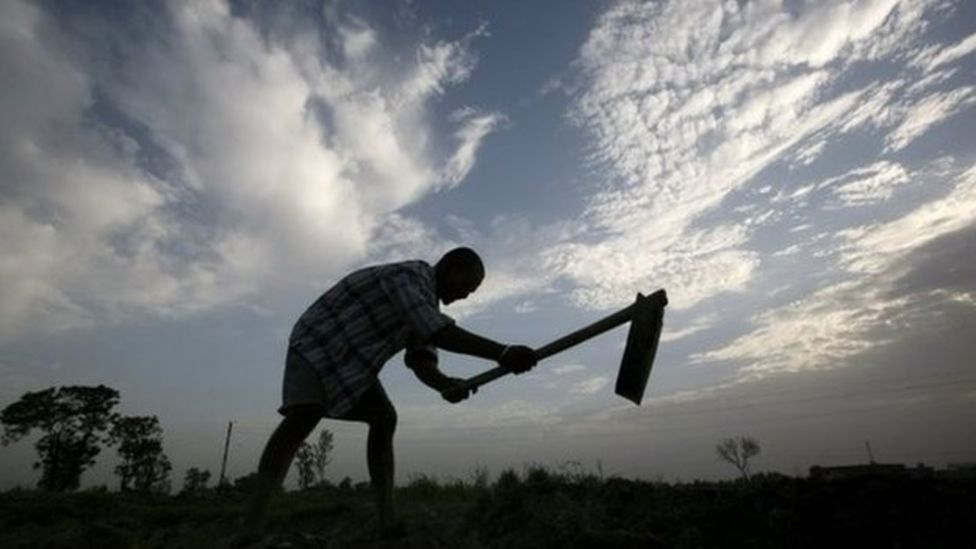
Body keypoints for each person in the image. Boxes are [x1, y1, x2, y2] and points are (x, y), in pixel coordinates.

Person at [238, 247, 537, 542]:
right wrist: (503, 352)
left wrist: (444, 384)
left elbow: (421, 360)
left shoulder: (427, 304)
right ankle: (251, 526)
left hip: (353, 362)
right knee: (302, 418)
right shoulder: (408, 277)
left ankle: (387, 520)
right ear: (450, 267)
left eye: (472, 292)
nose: (466, 295)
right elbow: (438, 332)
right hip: (318, 342)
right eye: (466, 286)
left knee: (383, 417)